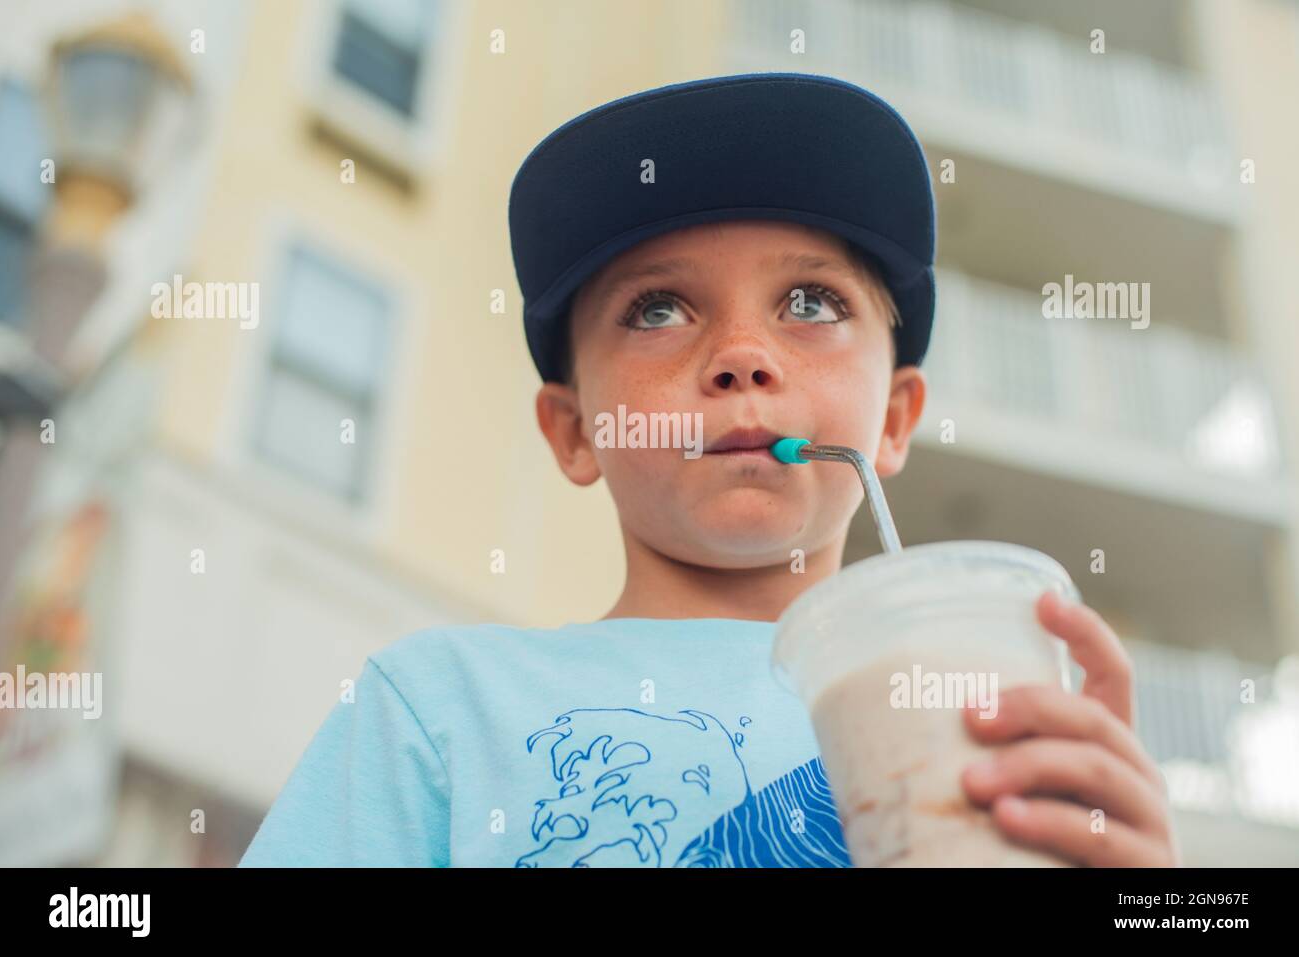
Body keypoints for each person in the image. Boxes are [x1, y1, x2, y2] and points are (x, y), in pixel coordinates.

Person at [239, 73, 1177, 868]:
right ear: (574, 432)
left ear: (893, 421)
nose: (741, 355)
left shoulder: (988, 716)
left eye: (810, 301)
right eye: (657, 309)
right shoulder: (440, 706)